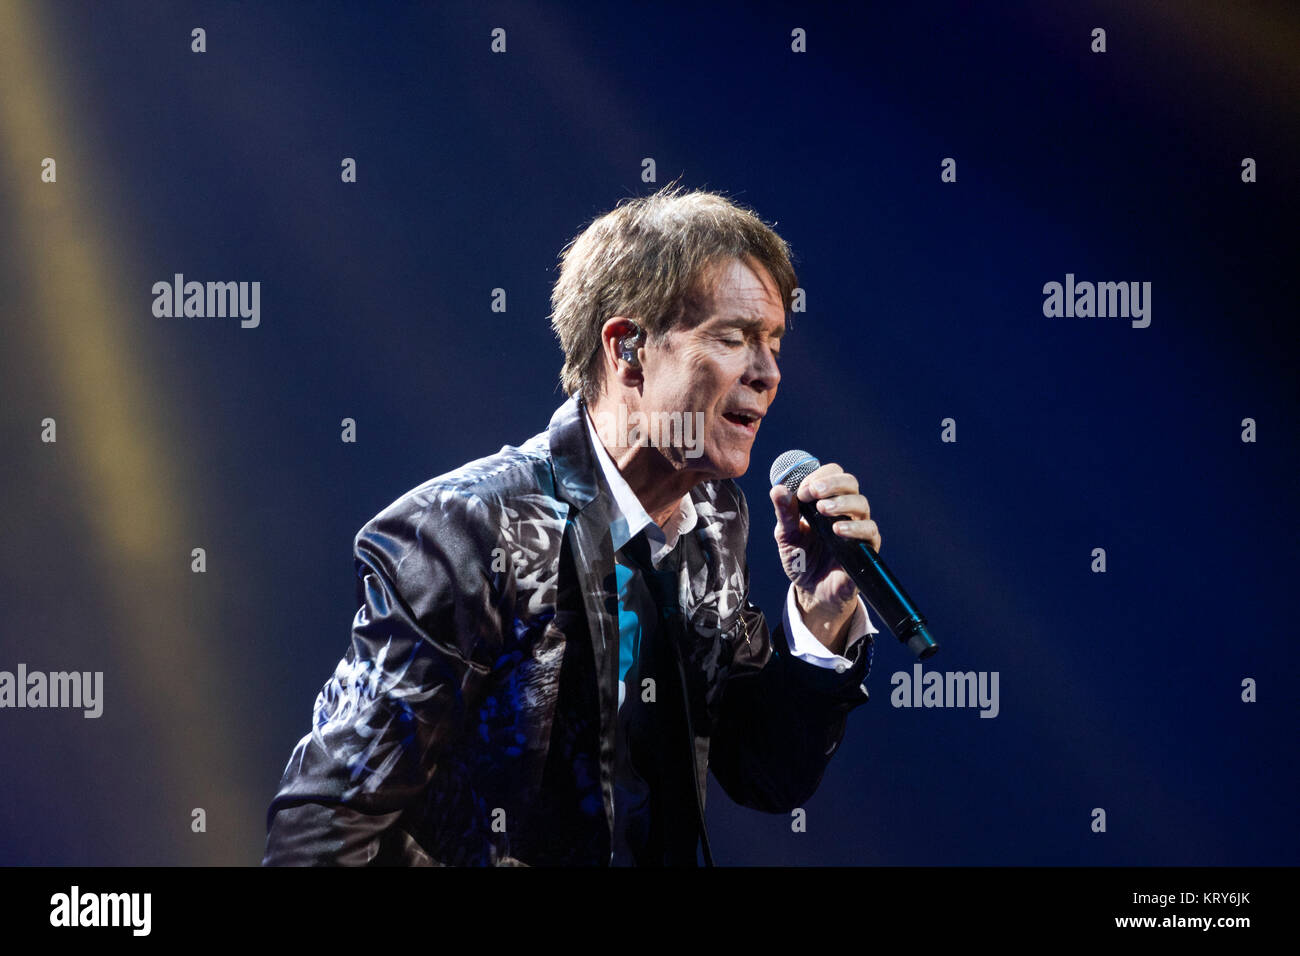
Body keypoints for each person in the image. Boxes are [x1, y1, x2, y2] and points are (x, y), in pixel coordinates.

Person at [262, 184, 883, 866]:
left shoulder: (715, 517)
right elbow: (323, 823)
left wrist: (821, 612)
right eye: (733, 338)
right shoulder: (469, 531)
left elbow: (763, 773)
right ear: (627, 349)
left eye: (773, 344)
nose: (768, 374)